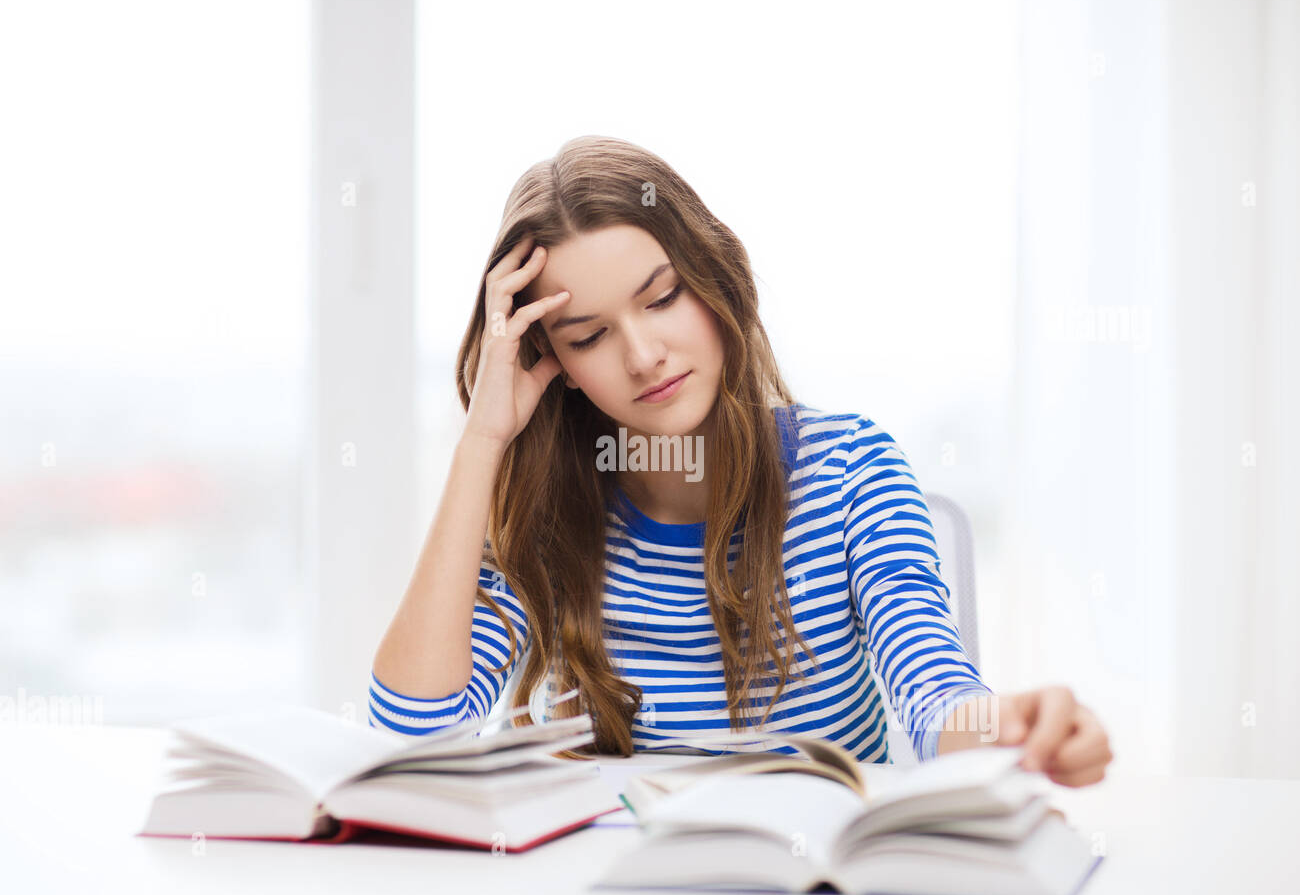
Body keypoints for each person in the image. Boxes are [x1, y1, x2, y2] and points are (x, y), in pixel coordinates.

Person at [369, 135, 1113, 787]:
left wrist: (1012, 727)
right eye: (589, 336)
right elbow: (412, 739)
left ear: (715, 273)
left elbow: (932, 691)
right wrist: (483, 442)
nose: (642, 354)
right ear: (551, 360)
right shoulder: (551, 515)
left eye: (661, 298)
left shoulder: (851, 471)